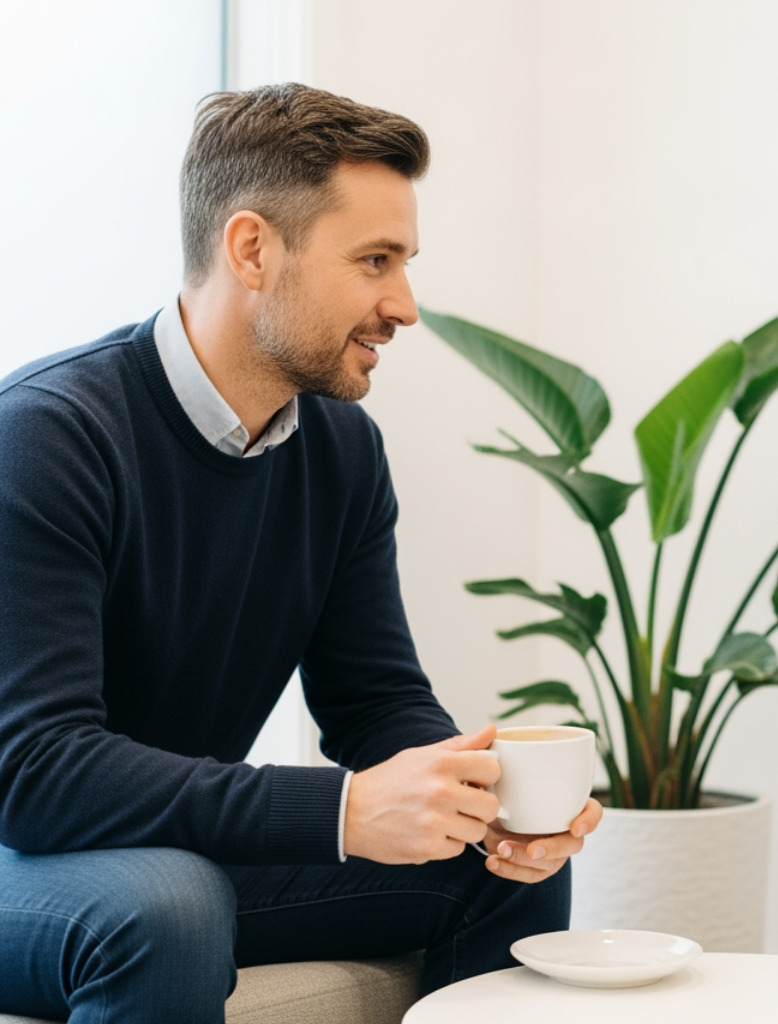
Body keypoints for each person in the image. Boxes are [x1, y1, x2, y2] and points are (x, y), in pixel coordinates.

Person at [0, 83, 601, 1023]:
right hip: (23, 858)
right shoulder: (45, 438)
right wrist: (341, 811)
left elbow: (375, 699)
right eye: (374, 260)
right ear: (251, 248)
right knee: (166, 905)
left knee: (504, 877)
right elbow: (37, 771)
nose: (403, 304)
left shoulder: (340, 448)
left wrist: (475, 801)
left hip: (163, 856)